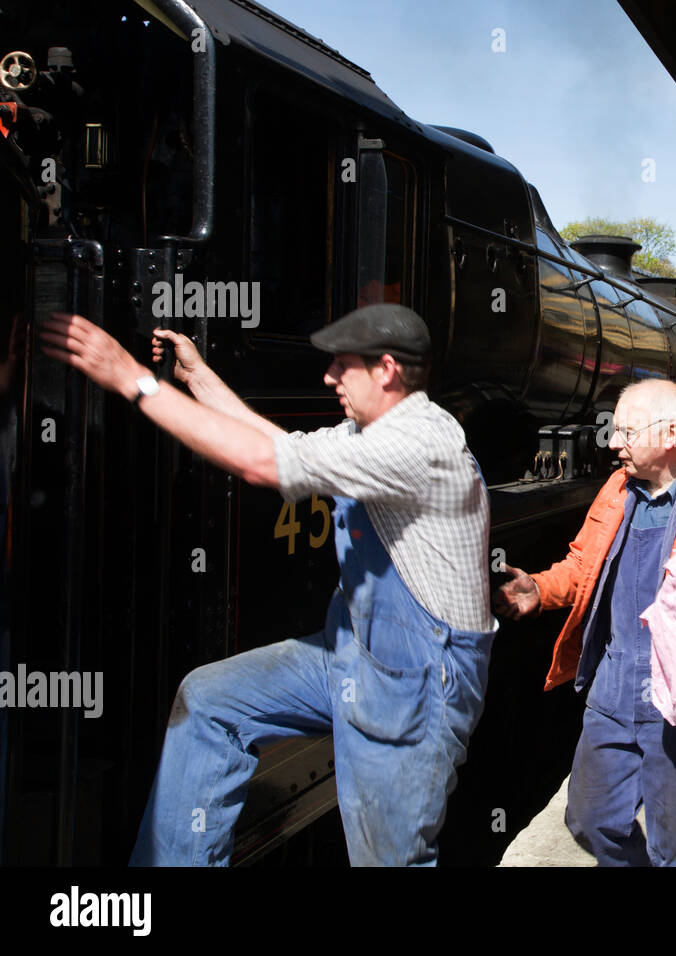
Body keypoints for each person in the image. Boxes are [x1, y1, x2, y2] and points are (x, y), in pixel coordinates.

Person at [38, 304, 496, 866]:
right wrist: (199, 378)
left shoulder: (420, 444)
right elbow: (281, 444)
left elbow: (261, 463)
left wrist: (129, 379)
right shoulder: (372, 430)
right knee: (208, 702)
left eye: (341, 366)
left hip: (417, 686)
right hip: (352, 658)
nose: (328, 377)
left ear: (385, 370)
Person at [492, 379, 676, 866]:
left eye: (624, 431)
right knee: (589, 818)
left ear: (669, 434)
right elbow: (583, 565)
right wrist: (539, 590)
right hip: (614, 686)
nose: (612, 442)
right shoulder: (616, 490)